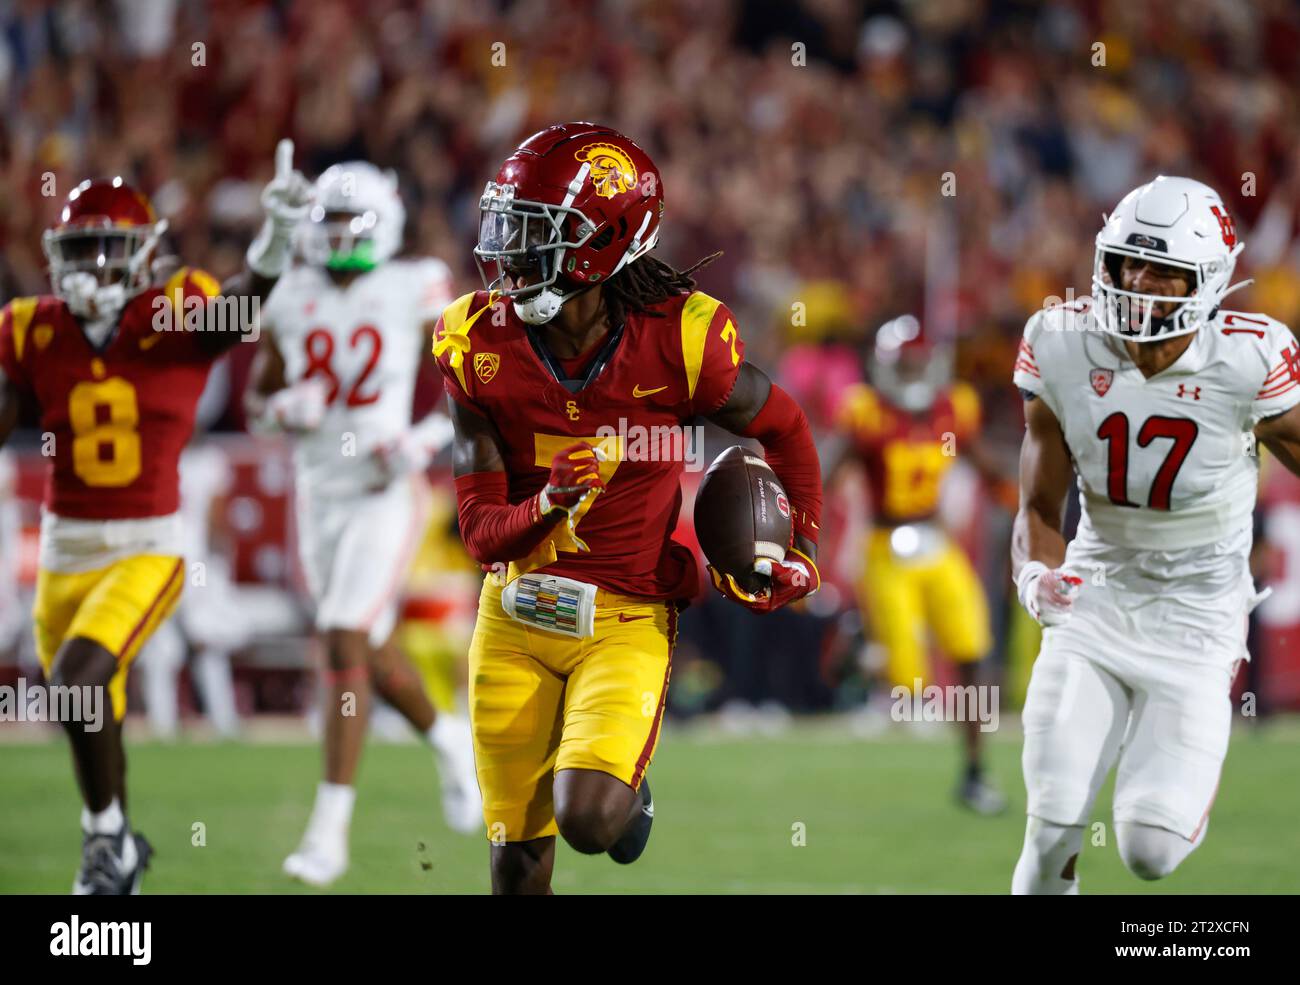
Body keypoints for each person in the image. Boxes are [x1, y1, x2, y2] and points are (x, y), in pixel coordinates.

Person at [436, 122, 823, 894]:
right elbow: (481, 534)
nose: (507, 248)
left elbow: (784, 424)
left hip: (625, 615)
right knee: (515, 859)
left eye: (533, 229)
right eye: (504, 222)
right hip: (513, 614)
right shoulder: (472, 340)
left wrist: (802, 544)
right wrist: (549, 501)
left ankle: (624, 793)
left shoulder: (680, 340)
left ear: (603, 243)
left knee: (588, 819)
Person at [0, 140, 313, 893]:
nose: (92, 268)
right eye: (80, 251)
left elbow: (242, 301)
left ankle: (107, 842)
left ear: (143, 259)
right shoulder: (32, 327)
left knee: (75, 677)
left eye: (108, 251)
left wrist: (272, 244)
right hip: (65, 551)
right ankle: (112, 849)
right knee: (83, 711)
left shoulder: (173, 312)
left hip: (147, 545)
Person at [1010, 176, 1300, 893]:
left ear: (1207, 282)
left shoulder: (1248, 358)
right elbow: (1040, 506)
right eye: (1127, 262)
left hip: (1197, 620)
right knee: (1051, 824)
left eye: (1163, 267)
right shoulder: (1061, 341)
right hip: (1097, 600)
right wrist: (1033, 576)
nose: (1138, 282)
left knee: (1149, 848)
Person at [246, 160, 480, 888]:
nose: (343, 235)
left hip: (386, 488)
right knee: (369, 650)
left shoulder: (415, 283)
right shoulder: (288, 292)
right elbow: (257, 402)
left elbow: (480, 376)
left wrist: (424, 440)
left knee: (341, 635)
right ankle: (450, 742)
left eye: (356, 222)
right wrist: (286, 408)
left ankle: (329, 829)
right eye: (332, 223)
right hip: (319, 496)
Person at [829, 315, 1011, 813]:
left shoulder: (954, 408)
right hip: (886, 546)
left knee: (973, 648)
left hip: (936, 542)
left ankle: (974, 772)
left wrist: (1019, 497)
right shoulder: (866, 412)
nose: (912, 375)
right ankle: (863, 656)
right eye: (903, 366)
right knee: (908, 674)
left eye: (918, 365)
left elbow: (983, 463)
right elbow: (831, 468)